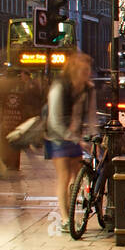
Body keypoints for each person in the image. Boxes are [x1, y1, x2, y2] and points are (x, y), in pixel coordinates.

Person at [44, 52, 97, 233]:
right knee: (64, 176)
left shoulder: (88, 89)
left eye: (88, 70)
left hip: (75, 136)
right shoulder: (59, 87)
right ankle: (66, 218)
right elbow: (54, 120)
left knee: (76, 177)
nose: (87, 73)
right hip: (56, 136)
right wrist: (75, 138)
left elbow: (91, 117)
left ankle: (73, 205)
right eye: (83, 70)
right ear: (74, 70)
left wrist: (93, 135)